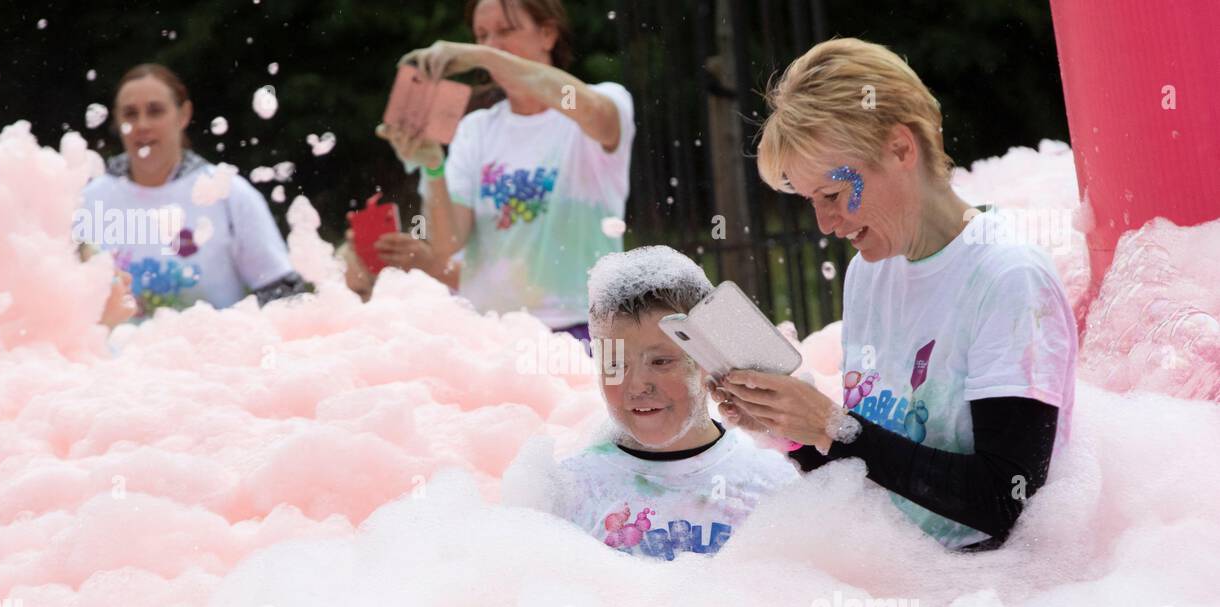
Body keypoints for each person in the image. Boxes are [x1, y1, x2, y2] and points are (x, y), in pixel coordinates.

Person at [712, 38, 1079, 551]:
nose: (824, 223)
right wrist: (792, 428)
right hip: (902, 573)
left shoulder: (1007, 277)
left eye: (834, 195)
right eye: (812, 202)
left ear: (901, 148)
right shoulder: (870, 273)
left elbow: (1005, 504)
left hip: (991, 598)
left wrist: (831, 425)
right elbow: (879, 468)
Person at [376, 0, 635, 340]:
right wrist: (432, 167)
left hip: (581, 327)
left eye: (505, 31)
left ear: (547, 34)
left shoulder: (602, 101)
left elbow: (588, 109)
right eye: (481, 35)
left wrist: (485, 56)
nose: (490, 44)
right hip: (492, 333)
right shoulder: (476, 129)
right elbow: (446, 244)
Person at [549, 246, 799, 560]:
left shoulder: (769, 483)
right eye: (614, 364)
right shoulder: (569, 491)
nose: (637, 384)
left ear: (709, 359)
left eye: (661, 361)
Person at [84, 64, 309, 324]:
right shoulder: (88, 200)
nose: (142, 125)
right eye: (130, 114)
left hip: (214, 358)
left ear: (184, 115)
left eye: (155, 111)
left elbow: (284, 295)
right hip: (114, 362)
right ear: (117, 121)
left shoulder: (228, 193)